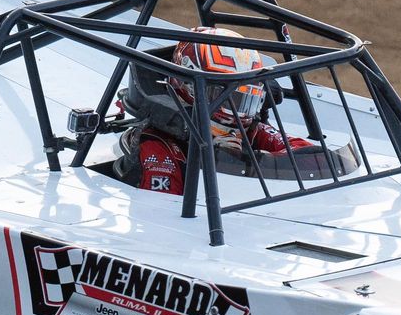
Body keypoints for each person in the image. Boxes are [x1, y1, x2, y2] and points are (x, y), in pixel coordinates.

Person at [117, 29, 311, 195]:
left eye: (244, 99)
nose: (235, 111)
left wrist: (250, 159)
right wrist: (215, 157)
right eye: (224, 96)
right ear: (189, 87)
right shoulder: (157, 148)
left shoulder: (249, 129)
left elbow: (309, 156)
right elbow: (165, 217)